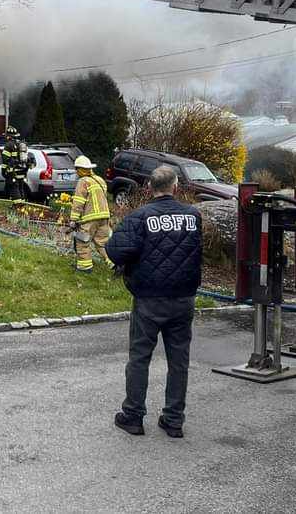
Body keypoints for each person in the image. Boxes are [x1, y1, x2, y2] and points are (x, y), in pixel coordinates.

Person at [107, 165, 202, 439]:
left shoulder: (140, 217)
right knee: (179, 360)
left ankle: (133, 416)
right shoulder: (193, 216)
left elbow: (115, 251)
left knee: (139, 358)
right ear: (175, 186)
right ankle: (173, 420)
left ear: (149, 187)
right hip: (184, 299)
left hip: (149, 299)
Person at [68, 155, 112, 272]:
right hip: (105, 216)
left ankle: (85, 267)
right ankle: (113, 263)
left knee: (82, 241)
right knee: (102, 243)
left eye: (76, 169)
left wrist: (73, 220)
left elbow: (79, 202)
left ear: (80, 169)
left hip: (90, 219)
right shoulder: (100, 180)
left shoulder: (83, 181)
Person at [0, 126, 24, 204]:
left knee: (14, 187)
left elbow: (5, 159)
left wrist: (3, 171)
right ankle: (22, 204)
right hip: (21, 170)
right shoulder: (19, 144)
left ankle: (17, 205)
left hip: (12, 171)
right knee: (20, 187)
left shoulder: (8, 145)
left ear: (8, 136)